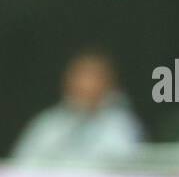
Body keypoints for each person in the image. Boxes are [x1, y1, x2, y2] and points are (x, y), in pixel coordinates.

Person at [11, 51, 143, 165]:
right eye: (81, 77)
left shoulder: (121, 125)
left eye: (94, 77)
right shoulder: (49, 123)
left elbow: (129, 172)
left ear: (108, 83)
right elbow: (21, 167)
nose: (86, 85)